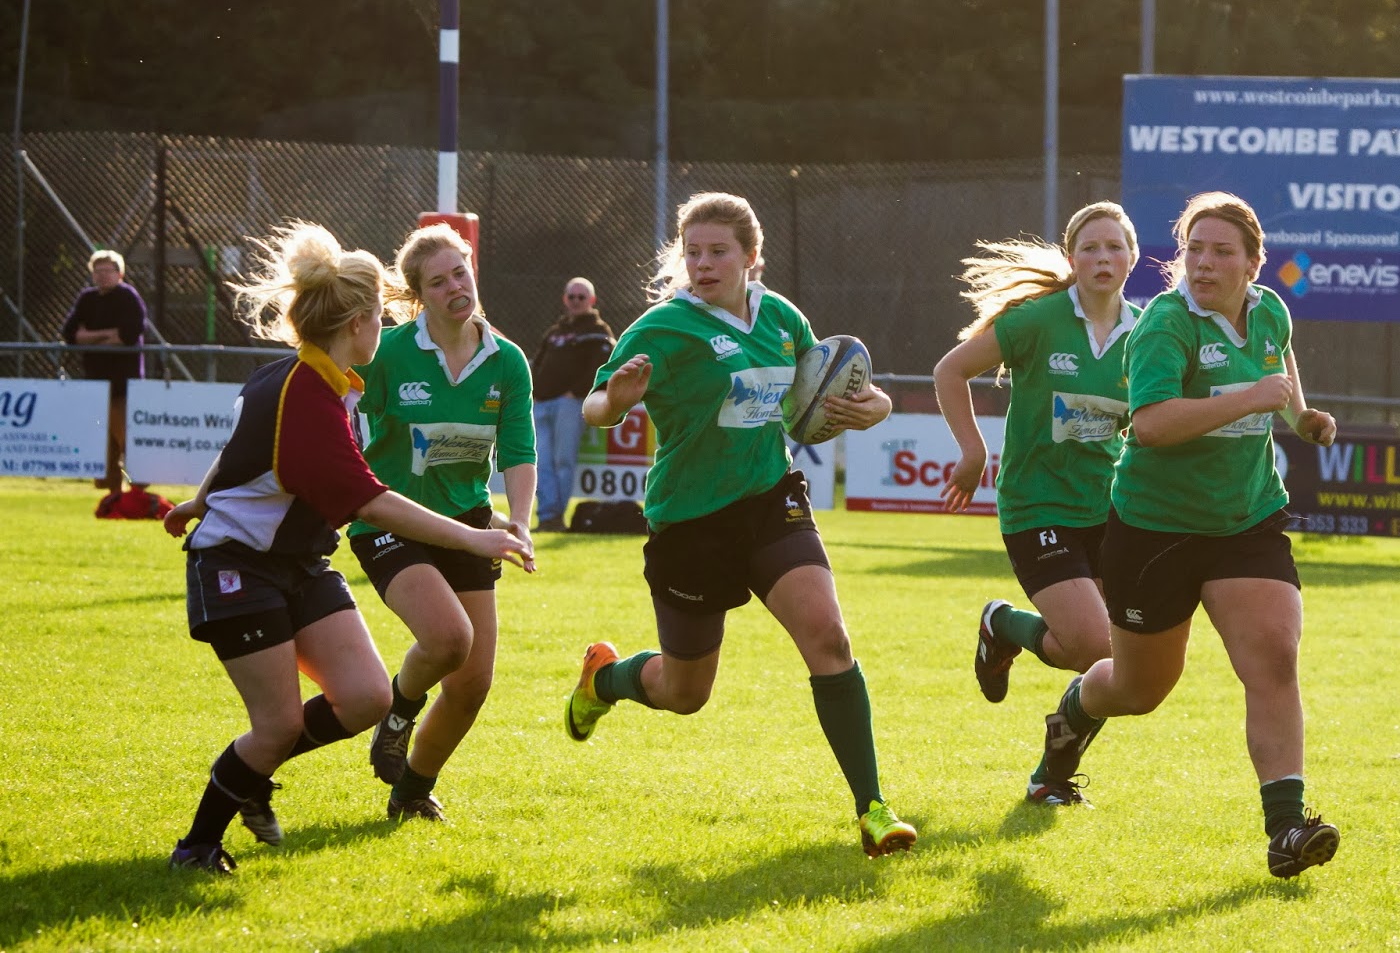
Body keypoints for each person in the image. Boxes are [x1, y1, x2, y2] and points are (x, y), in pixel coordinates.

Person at [162, 221, 533, 874]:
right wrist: (476, 534)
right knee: (274, 726)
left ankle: (259, 767)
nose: (385, 328)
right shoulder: (305, 394)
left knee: (366, 698)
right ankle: (197, 846)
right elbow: (370, 501)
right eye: (382, 317)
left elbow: (243, 451)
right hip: (238, 565)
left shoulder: (325, 382)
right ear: (359, 324)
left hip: (301, 563)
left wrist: (201, 493)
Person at [563, 191, 918, 858]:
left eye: (717, 251)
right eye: (692, 252)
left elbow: (830, 388)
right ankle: (605, 679)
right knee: (684, 691)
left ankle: (873, 809)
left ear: (751, 258)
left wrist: (872, 406)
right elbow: (593, 407)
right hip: (690, 522)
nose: (702, 263)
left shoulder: (781, 316)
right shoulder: (663, 328)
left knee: (829, 638)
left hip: (770, 500)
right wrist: (618, 399)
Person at [1031, 191, 1341, 878]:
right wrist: (1252, 398)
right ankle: (1070, 724)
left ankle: (1286, 831)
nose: (1203, 263)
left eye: (1221, 252)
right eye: (1193, 249)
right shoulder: (1166, 324)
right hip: (1155, 529)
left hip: (1246, 519)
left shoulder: (1271, 311)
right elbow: (1150, 426)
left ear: (1253, 264)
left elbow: (1279, 374)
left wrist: (1300, 418)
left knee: (1273, 657)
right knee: (1140, 690)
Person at [931, 202, 1141, 806]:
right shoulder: (1039, 320)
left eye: (1114, 247)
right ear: (1072, 260)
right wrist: (971, 452)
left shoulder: (1149, 330)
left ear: (1131, 257)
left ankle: (1052, 774)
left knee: (1122, 661)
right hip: (1037, 507)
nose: (1103, 258)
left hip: (1111, 511)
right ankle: (1003, 624)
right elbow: (951, 371)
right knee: (1094, 646)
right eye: (1090, 248)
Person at [347, 223, 537, 822]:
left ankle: (411, 791)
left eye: (461, 272)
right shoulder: (389, 353)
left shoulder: (506, 362)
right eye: (439, 281)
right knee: (449, 638)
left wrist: (523, 523)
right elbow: (342, 425)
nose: (456, 286)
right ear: (418, 295)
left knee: (472, 681)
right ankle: (397, 713)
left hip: (468, 520)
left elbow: (519, 451)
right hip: (389, 520)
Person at [529, 277, 615, 531]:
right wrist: (534, 392)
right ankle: (547, 516)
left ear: (592, 300)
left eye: (582, 297)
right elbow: (539, 361)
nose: (576, 301)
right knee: (539, 461)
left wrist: (575, 392)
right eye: (572, 297)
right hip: (541, 403)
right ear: (565, 299)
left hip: (570, 404)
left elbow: (603, 367)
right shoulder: (555, 331)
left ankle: (554, 517)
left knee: (563, 462)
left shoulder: (598, 331)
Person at [60, 249, 146, 495]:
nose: (102, 275)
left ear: (119, 273)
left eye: (107, 270)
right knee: (103, 437)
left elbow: (129, 334)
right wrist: (109, 335)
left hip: (123, 381)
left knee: (123, 434)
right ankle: (112, 490)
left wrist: (89, 337)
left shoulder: (128, 297)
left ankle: (138, 485)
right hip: (95, 381)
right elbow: (70, 334)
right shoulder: (87, 299)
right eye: (97, 271)